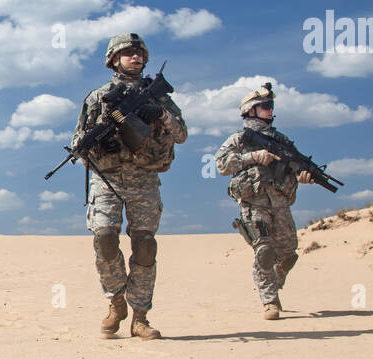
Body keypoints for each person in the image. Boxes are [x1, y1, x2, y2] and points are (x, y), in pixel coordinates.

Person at [71, 33, 187, 339]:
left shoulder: (158, 96)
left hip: (144, 178)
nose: (135, 57)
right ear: (113, 59)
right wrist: (96, 143)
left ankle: (140, 317)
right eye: (127, 52)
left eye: (139, 53)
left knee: (145, 246)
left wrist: (160, 114)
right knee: (105, 239)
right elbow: (76, 141)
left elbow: (182, 133)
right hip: (107, 179)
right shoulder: (97, 97)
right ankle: (116, 302)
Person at [214, 83, 313, 321]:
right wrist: (253, 157)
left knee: (289, 255)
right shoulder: (239, 139)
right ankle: (269, 301)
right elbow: (221, 165)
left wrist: (304, 176)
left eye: (271, 106)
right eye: (265, 107)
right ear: (251, 110)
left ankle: (276, 280)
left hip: (280, 203)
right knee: (264, 250)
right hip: (253, 202)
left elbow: (295, 167)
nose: (270, 110)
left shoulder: (282, 140)